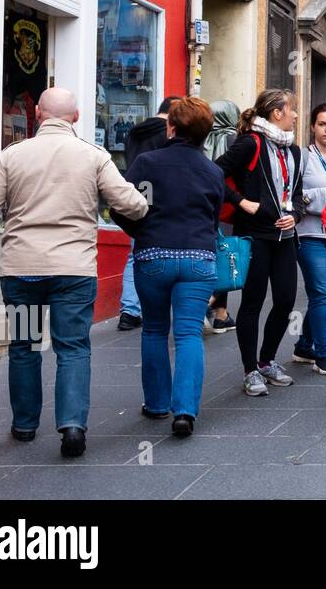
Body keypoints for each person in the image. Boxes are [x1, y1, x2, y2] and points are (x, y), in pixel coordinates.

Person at [0, 88, 149, 457]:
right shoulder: (94, 156)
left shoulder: (11, 156)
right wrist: (143, 206)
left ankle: (24, 425)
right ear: (76, 117)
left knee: (24, 345)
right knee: (73, 347)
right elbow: (130, 203)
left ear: (38, 115)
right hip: (73, 271)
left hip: (22, 271)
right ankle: (72, 426)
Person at [114, 96, 224, 438]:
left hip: (154, 256)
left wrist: (141, 231)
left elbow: (123, 206)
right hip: (198, 259)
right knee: (189, 333)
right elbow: (213, 217)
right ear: (206, 134)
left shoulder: (147, 163)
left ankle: (157, 403)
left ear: (171, 128)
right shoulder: (213, 171)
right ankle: (185, 411)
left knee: (154, 330)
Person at [216, 89, 304, 397]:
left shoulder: (293, 151)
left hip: (285, 237)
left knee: (286, 300)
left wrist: (296, 215)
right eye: (292, 110)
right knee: (252, 302)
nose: (295, 115)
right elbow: (214, 172)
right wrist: (242, 202)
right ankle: (250, 369)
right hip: (254, 236)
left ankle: (267, 360)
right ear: (277, 113)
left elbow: (296, 194)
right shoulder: (250, 143)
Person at [290, 103, 326, 376]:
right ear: (313, 126)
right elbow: (294, 196)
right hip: (309, 233)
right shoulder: (302, 157)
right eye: (322, 124)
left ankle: (303, 346)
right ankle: (323, 354)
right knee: (320, 293)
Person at [117, 95, 182, 331]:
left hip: (138, 196)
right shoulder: (167, 133)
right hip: (163, 200)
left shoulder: (135, 131)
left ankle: (129, 310)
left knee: (134, 254)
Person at [203, 99, 241, 332]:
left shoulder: (201, 139)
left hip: (203, 207)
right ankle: (204, 306)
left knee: (213, 257)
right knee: (226, 258)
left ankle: (221, 314)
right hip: (228, 207)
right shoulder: (233, 140)